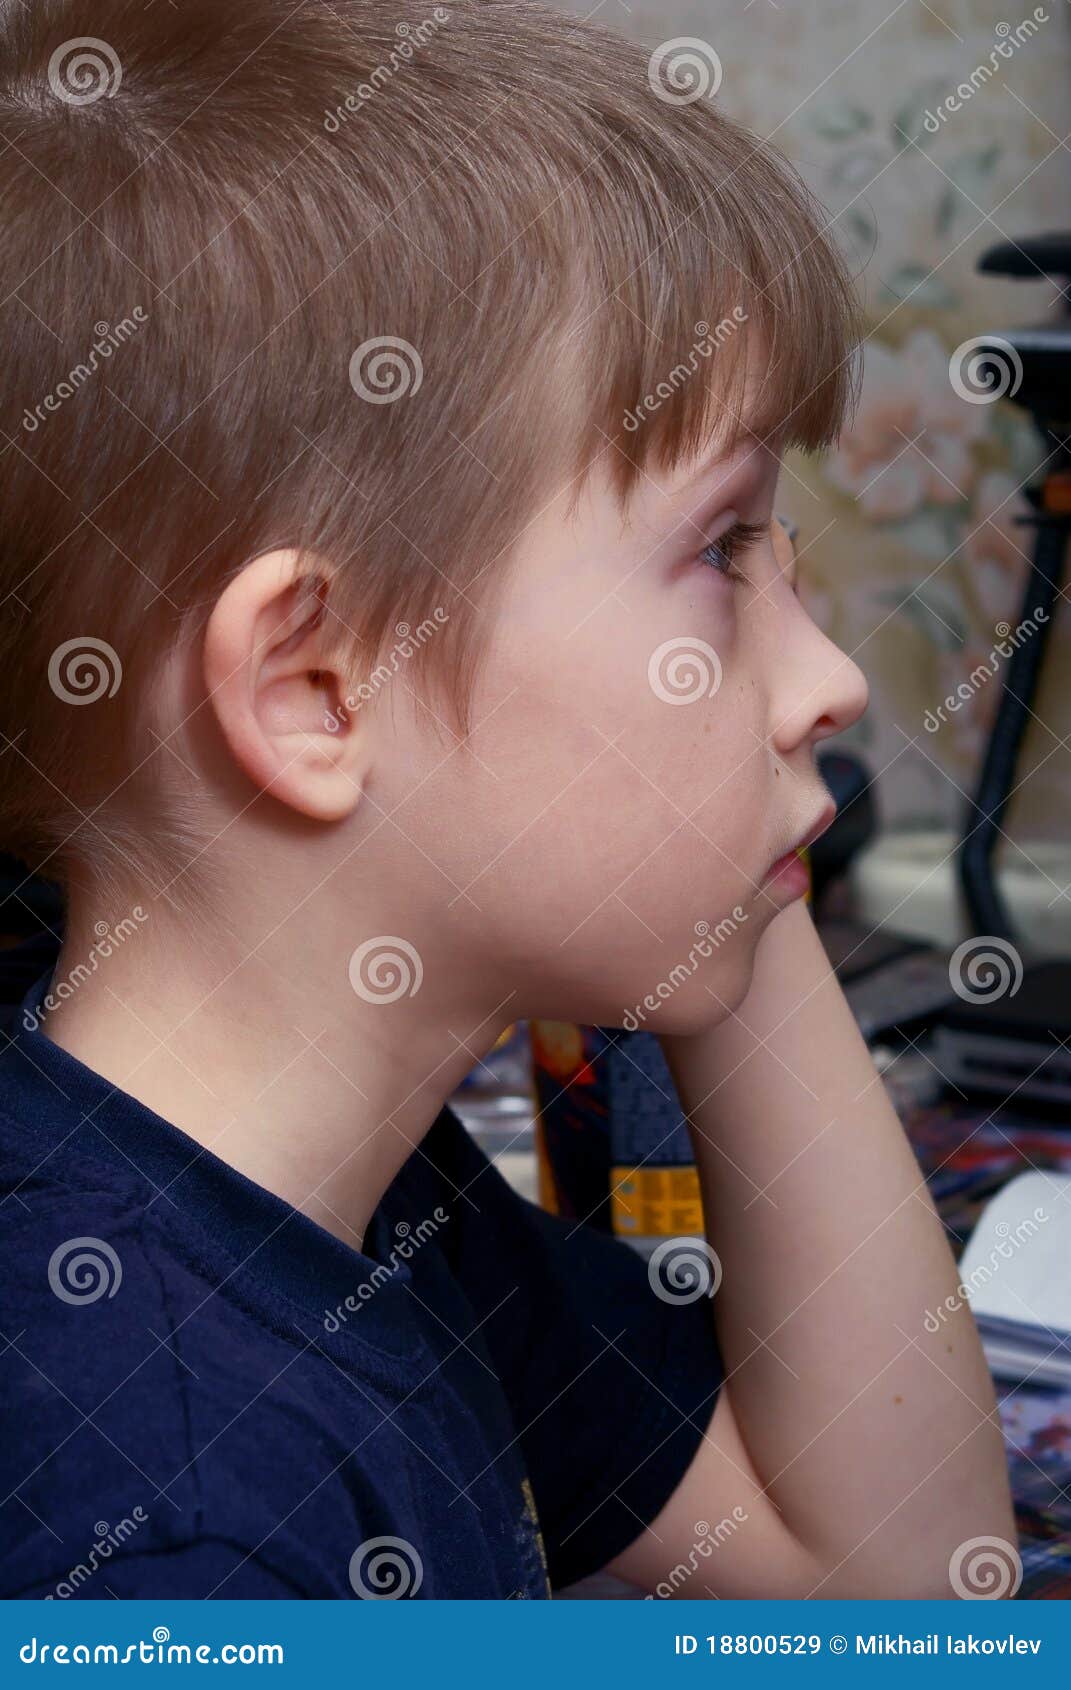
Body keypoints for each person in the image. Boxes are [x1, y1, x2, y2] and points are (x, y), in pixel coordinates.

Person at [0, 0, 1013, 1598]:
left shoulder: (362, 1189)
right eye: (724, 548)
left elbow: (891, 1581)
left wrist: (727, 840)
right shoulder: (168, 1533)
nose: (832, 682)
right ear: (317, 688)